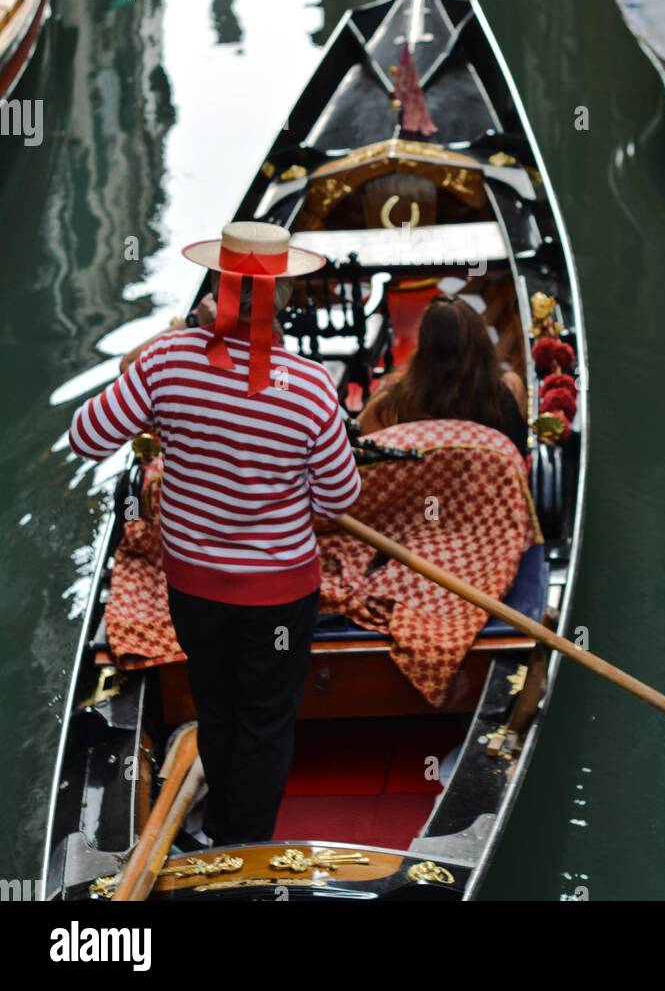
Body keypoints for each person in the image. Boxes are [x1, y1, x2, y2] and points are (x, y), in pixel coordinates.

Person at [69, 221, 361, 847]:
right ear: (280, 296)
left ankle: (225, 832)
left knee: (218, 707)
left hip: (195, 586)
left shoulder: (168, 362)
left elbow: (87, 436)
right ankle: (242, 842)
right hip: (280, 591)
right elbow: (339, 499)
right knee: (264, 719)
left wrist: (169, 343)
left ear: (216, 290)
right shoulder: (310, 387)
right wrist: (281, 491)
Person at [357, 293, 527, 452]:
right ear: (481, 340)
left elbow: (358, 444)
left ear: (423, 347)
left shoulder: (390, 402)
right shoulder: (510, 387)